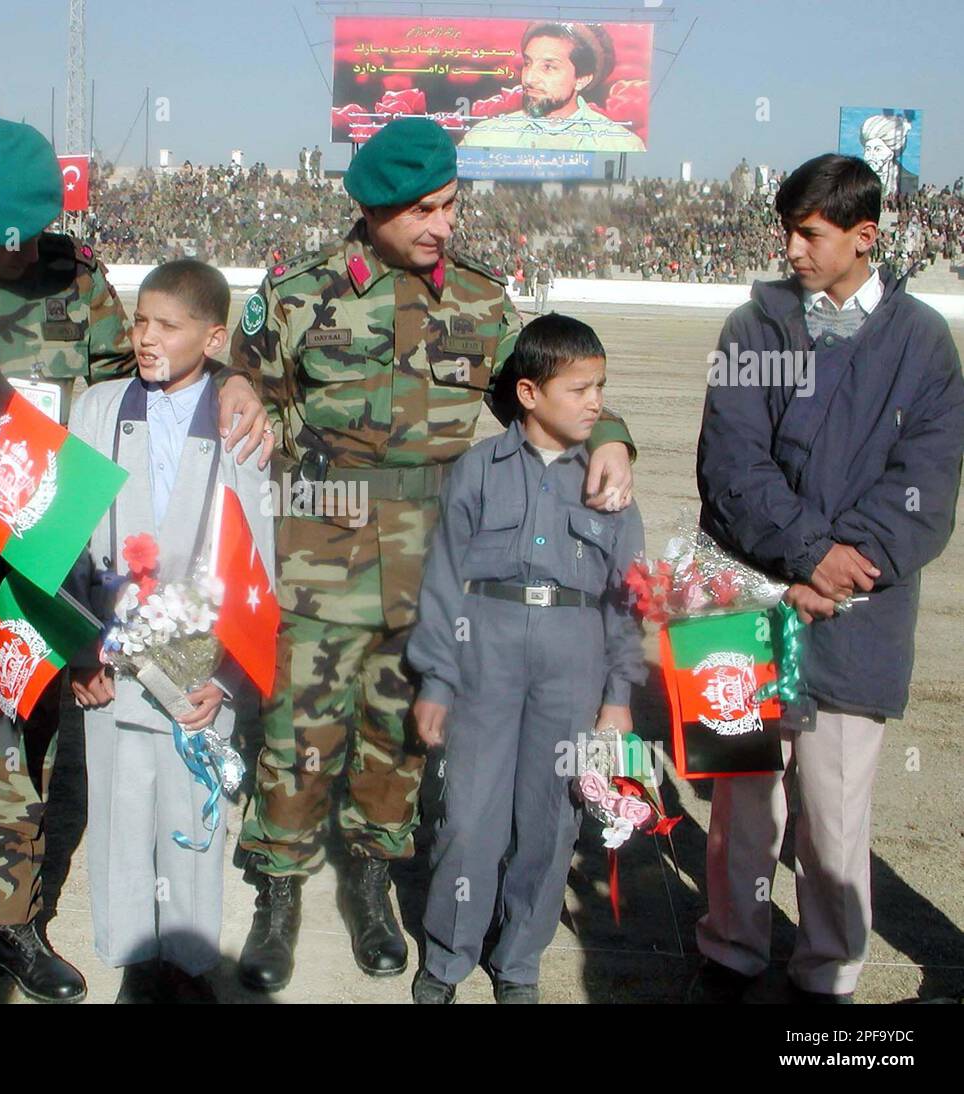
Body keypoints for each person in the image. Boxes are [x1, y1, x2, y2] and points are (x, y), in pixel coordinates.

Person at [0, 117, 272, 1003]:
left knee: (20, 751)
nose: (25, 253)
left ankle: (7, 924)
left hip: (45, 571)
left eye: (34, 234)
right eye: (4, 240)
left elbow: (152, 373)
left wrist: (238, 377)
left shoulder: (75, 280)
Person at [230, 116, 636, 992]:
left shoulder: (482, 301)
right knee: (299, 732)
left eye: (451, 206)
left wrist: (613, 437)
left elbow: (547, 385)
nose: (443, 225)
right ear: (375, 207)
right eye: (423, 209)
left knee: (400, 735)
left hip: (438, 568)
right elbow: (246, 384)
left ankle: (372, 878)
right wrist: (237, 392)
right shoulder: (297, 295)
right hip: (321, 562)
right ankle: (279, 890)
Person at [692, 154, 964, 1003]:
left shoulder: (923, 342)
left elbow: (926, 487)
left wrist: (840, 571)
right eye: (788, 231)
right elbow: (730, 465)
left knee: (836, 812)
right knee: (740, 805)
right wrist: (806, 556)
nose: (792, 249)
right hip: (745, 595)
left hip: (858, 612)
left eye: (809, 234)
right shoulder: (753, 327)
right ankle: (729, 954)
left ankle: (828, 977)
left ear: (864, 235)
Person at [407, 313, 645, 1003]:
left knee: (550, 820)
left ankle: (518, 962)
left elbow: (628, 596)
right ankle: (448, 956)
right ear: (530, 394)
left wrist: (619, 696)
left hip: (573, 660)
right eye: (580, 389)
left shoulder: (608, 479)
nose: (596, 403)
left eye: (600, 387)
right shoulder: (477, 470)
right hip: (485, 651)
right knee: (467, 816)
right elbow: (443, 578)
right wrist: (437, 679)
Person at [67, 259, 274, 1004]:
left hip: (197, 673)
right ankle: (135, 961)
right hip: (114, 664)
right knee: (121, 817)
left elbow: (258, 565)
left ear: (214, 339)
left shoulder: (236, 419)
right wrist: (79, 652)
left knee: (191, 820)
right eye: (139, 322)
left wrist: (227, 677)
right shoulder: (97, 407)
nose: (146, 338)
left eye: (168, 326)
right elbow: (66, 540)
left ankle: (189, 963)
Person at [460, 22, 644, 153]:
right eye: (527, 63)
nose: (529, 79)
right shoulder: (483, 139)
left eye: (548, 67)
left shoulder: (623, 146)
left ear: (582, 79)